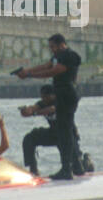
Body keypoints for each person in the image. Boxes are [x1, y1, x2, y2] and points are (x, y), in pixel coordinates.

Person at [16, 33, 82, 180]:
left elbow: (53, 71)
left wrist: (30, 76)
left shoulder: (69, 56)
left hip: (67, 95)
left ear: (61, 44)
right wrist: (28, 71)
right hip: (62, 95)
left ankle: (67, 169)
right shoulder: (58, 56)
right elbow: (46, 65)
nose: (52, 50)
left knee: (65, 132)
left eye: (53, 47)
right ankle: (70, 167)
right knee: (63, 131)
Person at [19, 85, 88, 176]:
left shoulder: (60, 102)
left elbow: (51, 109)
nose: (43, 99)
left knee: (78, 170)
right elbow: (34, 108)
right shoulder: (42, 103)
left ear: (53, 95)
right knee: (30, 138)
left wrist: (35, 113)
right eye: (42, 96)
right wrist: (26, 111)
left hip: (67, 136)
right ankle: (33, 169)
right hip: (53, 133)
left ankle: (87, 161)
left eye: (45, 96)